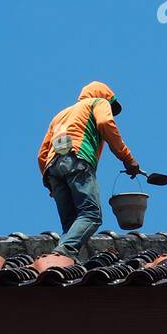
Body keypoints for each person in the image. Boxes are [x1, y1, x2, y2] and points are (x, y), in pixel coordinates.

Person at [37, 81, 140, 259]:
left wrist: (50, 185)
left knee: (71, 225)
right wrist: (127, 158)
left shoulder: (60, 115)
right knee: (91, 214)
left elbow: (42, 153)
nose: (111, 110)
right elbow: (105, 123)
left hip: (52, 168)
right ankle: (64, 253)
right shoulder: (98, 102)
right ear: (105, 96)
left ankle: (62, 261)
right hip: (77, 160)